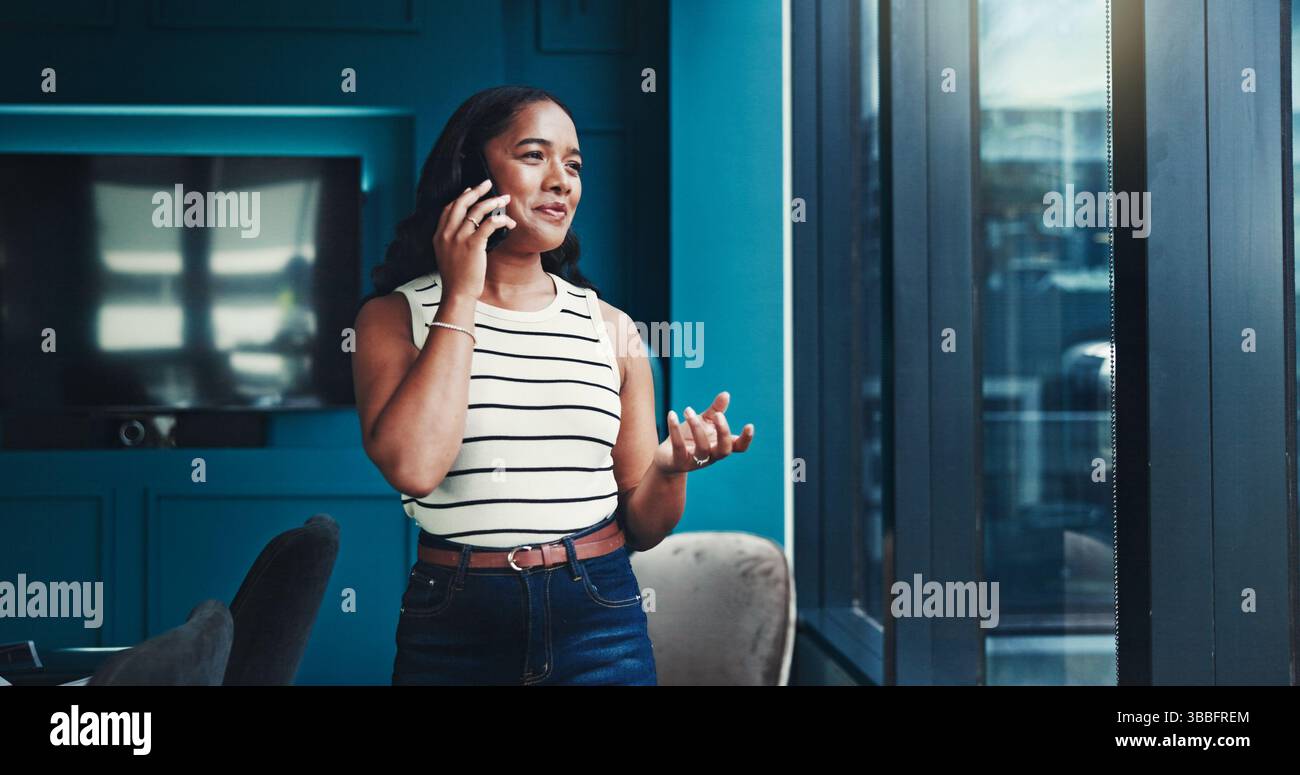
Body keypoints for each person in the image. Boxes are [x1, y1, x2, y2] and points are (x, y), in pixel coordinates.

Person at [352, 85, 755, 685]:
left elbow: (642, 528)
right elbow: (415, 468)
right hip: (454, 619)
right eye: (534, 155)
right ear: (472, 172)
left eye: (573, 164)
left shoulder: (613, 329)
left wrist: (671, 471)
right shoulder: (391, 318)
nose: (562, 181)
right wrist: (462, 292)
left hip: (599, 615)